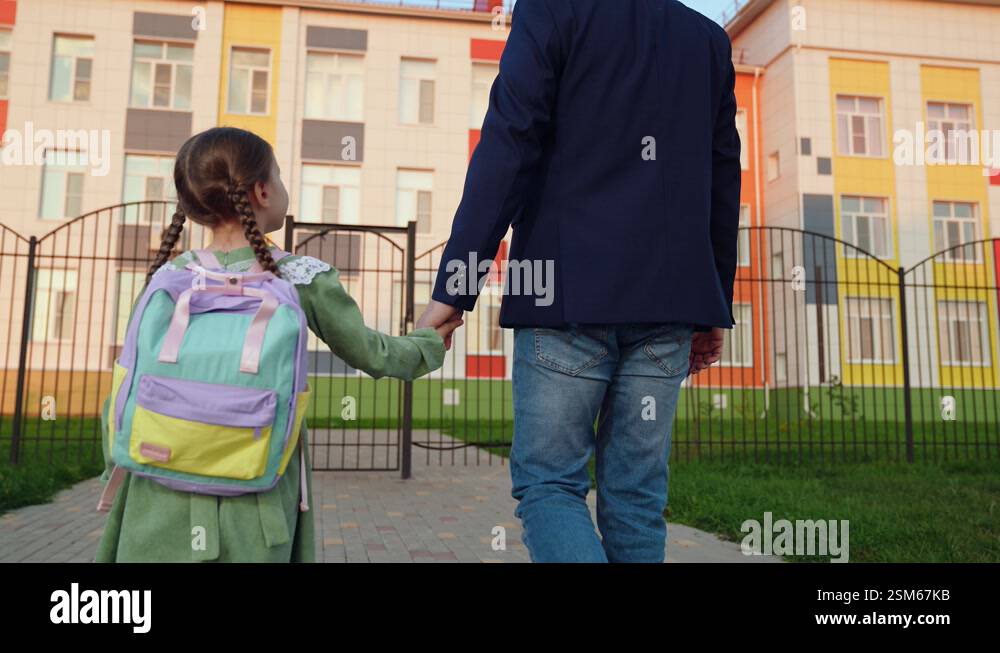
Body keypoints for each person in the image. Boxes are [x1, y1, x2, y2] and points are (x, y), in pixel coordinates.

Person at [416, 0, 741, 562]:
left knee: (551, 486)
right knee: (637, 497)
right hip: (667, 307)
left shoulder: (551, 12)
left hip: (564, 298)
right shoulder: (705, 39)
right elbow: (720, 176)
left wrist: (455, 286)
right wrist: (713, 302)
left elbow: (508, 144)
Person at [96, 127, 463, 562]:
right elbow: (373, 354)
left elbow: (125, 388)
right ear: (263, 191)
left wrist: (114, 468)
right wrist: (427, 343)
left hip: (156, 494)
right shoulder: (301, 277)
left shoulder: (167, 279)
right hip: (255, 495)